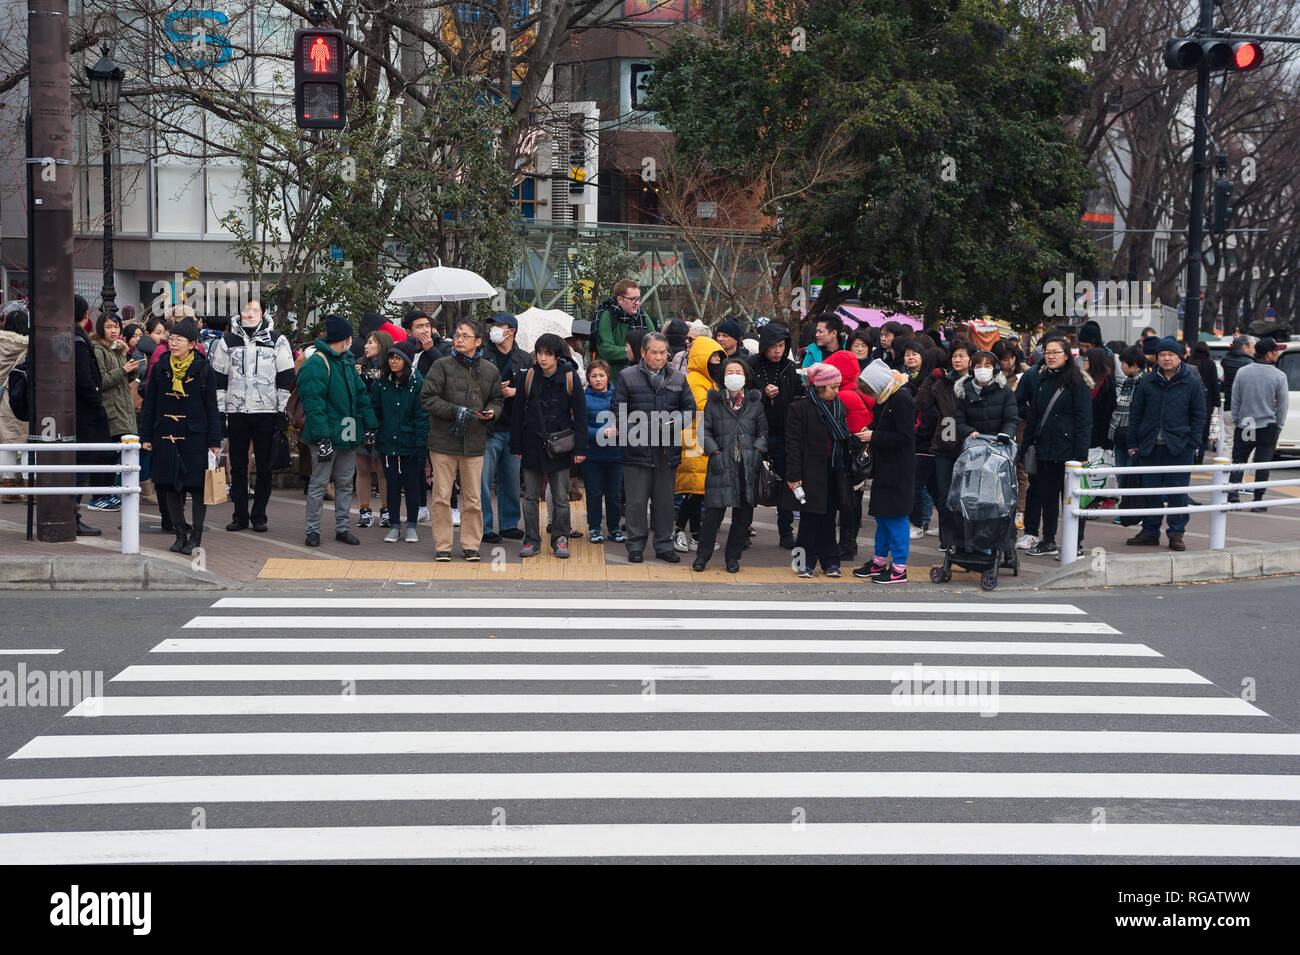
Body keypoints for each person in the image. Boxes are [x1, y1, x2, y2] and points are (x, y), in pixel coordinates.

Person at [420, 319, 504, 561]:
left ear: (478, 342)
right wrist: (454, 410)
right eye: (457, 335)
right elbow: (427, 398)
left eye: (465, 336)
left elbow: (497, 400)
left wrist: (491, 412)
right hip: (442, 441)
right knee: (441, 496)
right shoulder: (441, 366)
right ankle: (443, 546)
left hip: (474, 441)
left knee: (473, 498)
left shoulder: (489, 370)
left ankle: (470, 545)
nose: (459, 339)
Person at [209, 298, 294, 533]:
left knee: (265, 466)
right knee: (237, 465)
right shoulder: (227, 341)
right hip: (236, 412)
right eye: (246, 310)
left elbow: (286, 377)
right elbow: (218, 378)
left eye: (255, 309)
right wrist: (220, 413)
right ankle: (240, 515)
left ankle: (259, 515)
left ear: (263, 312)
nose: (250, 314)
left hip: (266, 412)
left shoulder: (277, 340)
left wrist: (281, 410)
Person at [611, 331, 697, 563]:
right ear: (643, 352)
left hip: (667, 452)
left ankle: (663, 545)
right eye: (654, 352)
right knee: (636, 503)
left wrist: (672, 423)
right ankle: (636, 546)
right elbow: (618, 412)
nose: (659, 357)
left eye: (663, 352)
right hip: (636, 451)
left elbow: (689, 409)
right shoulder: (627, 377)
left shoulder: (678, 378)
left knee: (665, 503)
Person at [138, 318, 222, 555]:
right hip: (164, 433)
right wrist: (146, 435)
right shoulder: (161, 366)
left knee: (196, 489)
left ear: (193, 344)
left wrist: (215, 441)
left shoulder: (204, 370)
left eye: (179, 340)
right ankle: (179, 535)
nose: (173, 344)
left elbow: (212, 407)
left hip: (195, 436)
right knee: (169, 487)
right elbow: (150, 404)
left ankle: (196, 538)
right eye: (171, 339)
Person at [296, 315, 378, 548]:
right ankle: (313, 530)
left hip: (347, 431)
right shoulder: (317, 363)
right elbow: (313, 403)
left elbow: (361, 395)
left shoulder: (346, 361)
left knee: (344, 483)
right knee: (319, 483)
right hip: (327, 433)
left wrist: (370, 425)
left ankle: (342, 528)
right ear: (345, 338)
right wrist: (323, 437)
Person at [510, 333, 587, 558]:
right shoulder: (529, 376)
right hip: (531, 444)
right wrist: (516, 447)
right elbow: (517, 416)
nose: (543, 358)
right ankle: (531, 540)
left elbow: (581, 417)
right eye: (540, 353)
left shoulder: (570, 377)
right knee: (531, 497)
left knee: (561, 497)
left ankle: (560, 539)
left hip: (560, 446)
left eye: (548, 354)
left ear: (557, 356)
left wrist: (581, 450)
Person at [1125, 337, 1206, 551]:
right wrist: (1133, 443)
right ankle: (1150, 532)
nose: (1167, 358)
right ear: (1156, 358)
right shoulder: (1147, 382)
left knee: (1178, 492)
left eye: (1171, 355)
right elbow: (1135, 414)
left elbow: (1199, 415)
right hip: (1150, 446)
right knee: (1150, 491)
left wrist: (1193, 442)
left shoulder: (1192, 381)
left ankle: (1176, 533)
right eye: (1162, 355)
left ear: (1180, 358)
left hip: (1180, 447)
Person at [1018, 336, 1092, 557]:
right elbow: (1033, 417)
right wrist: (1027, 447)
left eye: (1056, 352)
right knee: (1046, 497)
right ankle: (1048, 540)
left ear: (1067, 355)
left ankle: (1075, 544)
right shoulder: (1040, 379)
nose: (1050, 356)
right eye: (1047, 352)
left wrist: (1081, 454)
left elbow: (1084, 420)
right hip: (1044, 449)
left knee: (1071, 499)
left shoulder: (1077, 381)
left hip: (1069, 451)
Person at [694, 357, 768, 573]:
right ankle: (702, 557)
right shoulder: (714, 402)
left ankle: (733, 558)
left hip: (746, 467)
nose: (734, 375)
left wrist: (755, 452)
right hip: (720, 465)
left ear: (745, 377)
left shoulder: (754, 403)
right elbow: (704, 431)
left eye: (738, 372)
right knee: (711, 516)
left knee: (742, 517)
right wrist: (714, 452)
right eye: (730, 372)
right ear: (723, 377)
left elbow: (763, 432)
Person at [783, 362, 852, 578]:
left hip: (834, 471)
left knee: (829, 519)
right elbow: (792, 445)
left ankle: (830, 561)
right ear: (820, 386)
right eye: (833, 387)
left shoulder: (839, 407)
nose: (836, 391)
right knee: (809, 521)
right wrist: (794, 477)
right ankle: (803, 562)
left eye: (838, 387)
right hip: (809, 473)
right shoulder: (800, 408)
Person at [853, 359, 916, 583]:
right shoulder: (886, 398)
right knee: (882, 517)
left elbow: (905, 437)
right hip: (885, 467)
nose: (870, 396)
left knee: (896, 518)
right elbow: (886, 428)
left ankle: (899, 567)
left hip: (898, 469)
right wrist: (871, 430)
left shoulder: (902, 399)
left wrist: (874, 436)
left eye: (870, 391)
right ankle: (879, 561)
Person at [751, 321, 804, 549]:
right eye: (773, 346)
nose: (778, 350)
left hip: (784, 434)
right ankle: (743, 528)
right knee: (749, 480)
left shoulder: (789, 368)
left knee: (786, 482)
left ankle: (786, 532)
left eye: (782, 345)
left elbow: (799, 396)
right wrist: (762, 392)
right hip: (756, 433)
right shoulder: (751, 365)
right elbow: (742, 393)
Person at [481, 312, 530, 543]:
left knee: (510, 480)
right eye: (493, 326)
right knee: (483, 479)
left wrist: (515, 392)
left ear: (511, 330)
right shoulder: (482, 356)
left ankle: (509, 523)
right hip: (488, 428)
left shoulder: (524, 359)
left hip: (514, 428)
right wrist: (493, 391)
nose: (494, 330)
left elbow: (534, 390)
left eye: (499, 326)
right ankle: (484, 526)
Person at [674, 335, 725, 552]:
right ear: (702, 357)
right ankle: (677, 531)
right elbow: (703, 406)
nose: (716, 361)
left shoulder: (708, 380)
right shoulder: (695, 379)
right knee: (691, 491)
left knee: (698, 490)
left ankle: (695, 534)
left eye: (718, 356)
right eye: (712, 356)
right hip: (693, 440)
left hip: (701, 440)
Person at [373, 346, 429, 543]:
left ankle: (411, 525)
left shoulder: (417, 383)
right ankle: (395, 525)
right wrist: (372, 431)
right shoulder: (382, 383)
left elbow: (422, 416)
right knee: (392, 485)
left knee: (412, 485)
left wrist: (421, 444)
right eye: (391, 357)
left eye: (398, 358)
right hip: (387, 442)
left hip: (411, 443)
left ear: (407, 360)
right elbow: (376, 409)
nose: (393, 361)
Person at [87, 311, 140, 512]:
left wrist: (131, 367)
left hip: (122, 407)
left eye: (116, 327)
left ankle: (107, 493)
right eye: (109, 327)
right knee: (104, 454)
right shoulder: (98, 349)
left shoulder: (118, 348)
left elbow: (124, 378)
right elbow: (102, 381)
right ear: (101, 328)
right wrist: (124, 371)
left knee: (114, 454)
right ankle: (97, 496)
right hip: (108, 409)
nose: (113, 330)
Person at [1227, 337, 1289, 510]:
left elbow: (1236, 399)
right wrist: (1279, 425)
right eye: (1276, 351)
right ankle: (1258, 500)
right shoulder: (1279, 375)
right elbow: (1282, 405)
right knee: (1262, 463)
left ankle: (1233, 495)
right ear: (1269, 354)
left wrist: (1237, 419)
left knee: (1239, 460)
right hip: (1267, 426)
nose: (1277, 353)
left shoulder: (1243, 372)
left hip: (1246, 423)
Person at [824, 348, 872, 560]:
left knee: (842, 503)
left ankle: (843, 546)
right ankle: (850, 544)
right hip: (859, 458)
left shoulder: (840, 396)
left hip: (843, 456)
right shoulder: (862, 393)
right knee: (854, 501)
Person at [70, 296, 112, 536]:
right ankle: (71, 516)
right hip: (83, 416)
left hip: (69, 414)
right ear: (86, 315)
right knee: (80, 468)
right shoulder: (78, 340)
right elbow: (85, 381)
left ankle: (70, 514)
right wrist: (98, 404)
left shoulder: (67, 336)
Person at [582, 358, 624, 544]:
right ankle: (594, 528)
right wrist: (601, 432)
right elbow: (580, 427)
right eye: (593, 376)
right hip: (592, 455)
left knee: (614, 495)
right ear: (588, 378)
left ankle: (614, 528)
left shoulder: (620, 396)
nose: (598, 379)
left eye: (601, 375)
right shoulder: (583, 398)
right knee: (594, 493)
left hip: (616, 454)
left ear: (608, 376)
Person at [354, 329, 393, 529]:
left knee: (382, 469)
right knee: (362, 468)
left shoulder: (391, 366)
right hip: (361, 423)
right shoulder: (359, 365)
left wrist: (368, 374)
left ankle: (386, 510)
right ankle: (364, 511)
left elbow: (386, 380)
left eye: (371, 342)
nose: (366, 346)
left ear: (382, 345)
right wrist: (359, 375)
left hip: (383, 424)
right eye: (367, 342)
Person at [1108, 345, 1147, 527]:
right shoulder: (1127, 381)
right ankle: (1126, 510)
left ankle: (1136, 512)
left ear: (1135, 364)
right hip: (1120, 435)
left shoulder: (1145, 382)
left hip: (1134, 438)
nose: (1122, 367)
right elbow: (1119, 409)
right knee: (1122, 474)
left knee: (1134, 476)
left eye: (1124, 363)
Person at [593, 279, 657, 379]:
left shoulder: (643, 316)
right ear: (620, 299)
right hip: (612, 381)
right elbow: (606, 350)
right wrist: (636, 352)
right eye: (632, 299)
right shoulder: (606, 316)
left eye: (638, 299)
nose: (637, 303)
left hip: (640, 377)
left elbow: (654, 345)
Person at [954, 350, 1019, 445]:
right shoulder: (964, 391)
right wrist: (969, 432)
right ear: (972, 370)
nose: (983, 369)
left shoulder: (1005, 390)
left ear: (995, 369)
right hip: (973, 445)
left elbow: (1011, 419)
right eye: (979, 366)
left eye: (987, 366)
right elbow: (959, 421)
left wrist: (1006, 434)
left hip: (999, 445)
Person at [0, 306, 29, 503]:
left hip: (2, 399)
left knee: (7, 443)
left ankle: (9, 489)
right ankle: (30, 488)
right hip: (22, 397)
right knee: (27, 443)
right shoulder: (28, 346)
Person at [1187, 342, 1222, 463]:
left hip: (1190, 401)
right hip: (1206, 402)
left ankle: (1191, 455)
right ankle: (1200, 457)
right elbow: (1214, 385)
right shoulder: (1210, 364)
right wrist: (1216, 404)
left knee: (1192, 428)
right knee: (1203, 432)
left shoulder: (1189, 363)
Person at [1082, 346, 1117, 453]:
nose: (1083, 362)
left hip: (1099, 438)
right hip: (1085, 433)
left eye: (1086, 360)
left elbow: (1107, 415)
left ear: (1094, 362)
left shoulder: (1106, 383)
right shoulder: (1084, 380)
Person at [403, 308, 453, 377]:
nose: (425, 330)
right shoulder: (404, 349)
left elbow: (448, 371)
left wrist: (431, 349)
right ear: (409, 332)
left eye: (427, 326)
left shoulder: (443, 347)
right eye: (419, 327)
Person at [1221, 335, 1254, 413]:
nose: (1254, 350)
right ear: (1245, 347)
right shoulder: (1249, 363)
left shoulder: (1226, 360)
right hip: (1244, 406)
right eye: (1253, 347)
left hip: (1229, 404)